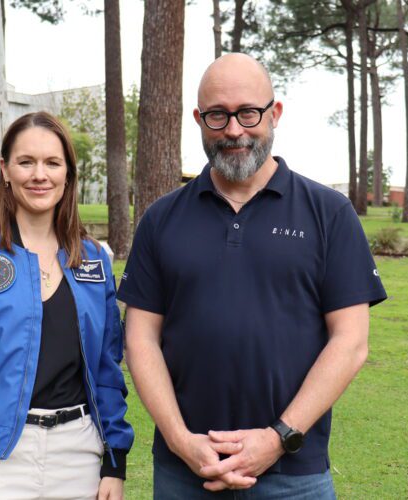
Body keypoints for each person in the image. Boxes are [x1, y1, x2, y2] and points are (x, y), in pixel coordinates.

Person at [118, 53, 388, 499]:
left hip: (294, 475)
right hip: (185, 473)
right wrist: (181, 441)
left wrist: (278, 437)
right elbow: (140, 339)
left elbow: (351, 342)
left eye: (248, 112)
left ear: (274, 113)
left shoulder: (329, 213)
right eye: (217, 115)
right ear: (199, 120)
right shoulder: (161, 219)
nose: (234, 130)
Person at [0, 112, 133, 500]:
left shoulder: (93, 260)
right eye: (26, 162)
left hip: (80, 456)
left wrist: (114, 462)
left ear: (68, 174)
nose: (39, 175)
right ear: (5, 169)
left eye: (52, 162)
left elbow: (106, 371)